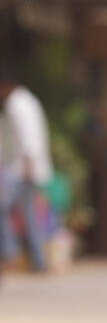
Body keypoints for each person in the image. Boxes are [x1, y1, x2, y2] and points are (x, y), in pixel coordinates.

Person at [0, 65, 55, 273]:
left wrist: (29, 168)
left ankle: (9, 253)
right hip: (24, 168)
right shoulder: (26, 101)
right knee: (29, 216)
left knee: (3, 208)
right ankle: (39, 261)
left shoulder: (18, 105)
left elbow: (28, 137)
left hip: (23, 169)